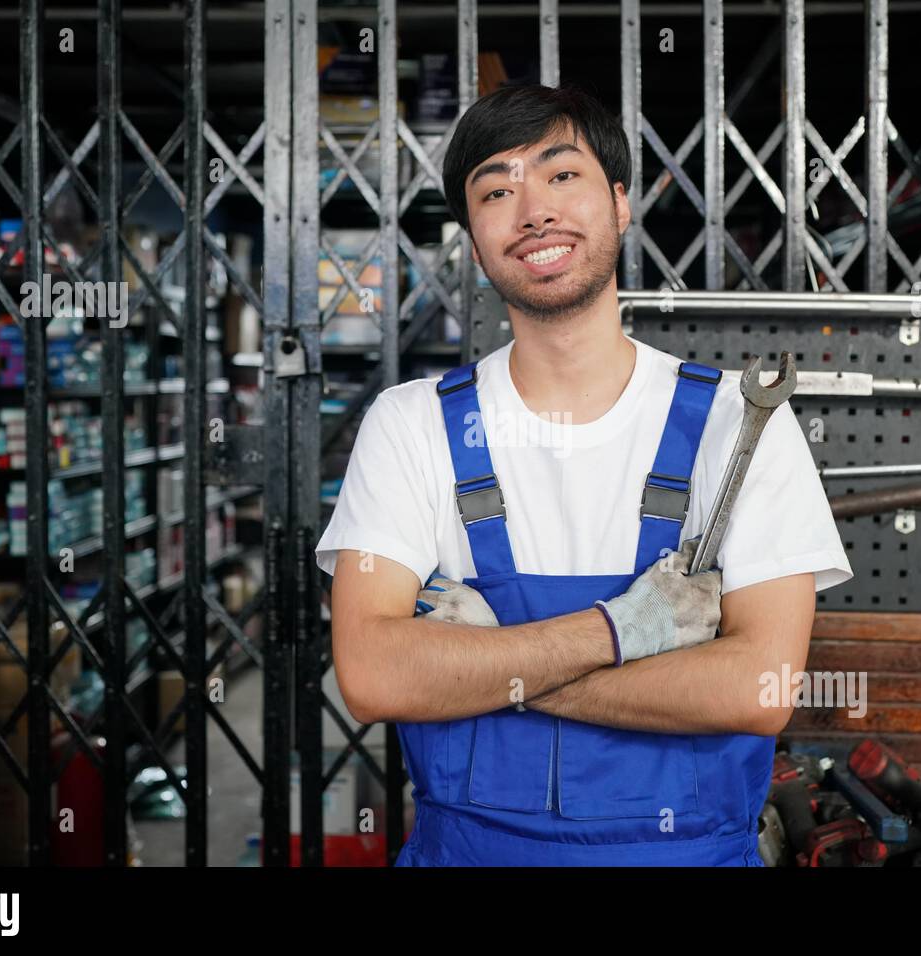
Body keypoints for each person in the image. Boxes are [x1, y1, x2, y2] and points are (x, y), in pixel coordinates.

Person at [314, 83, 852, 866]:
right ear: (472, 237)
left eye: (561, 175)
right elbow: (371, 675)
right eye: (496, 189)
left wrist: (489, 660)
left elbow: (756, 690)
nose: (532, 210)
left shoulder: (742, 426)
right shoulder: (413, 424)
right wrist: (626, 635)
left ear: (621, 203)